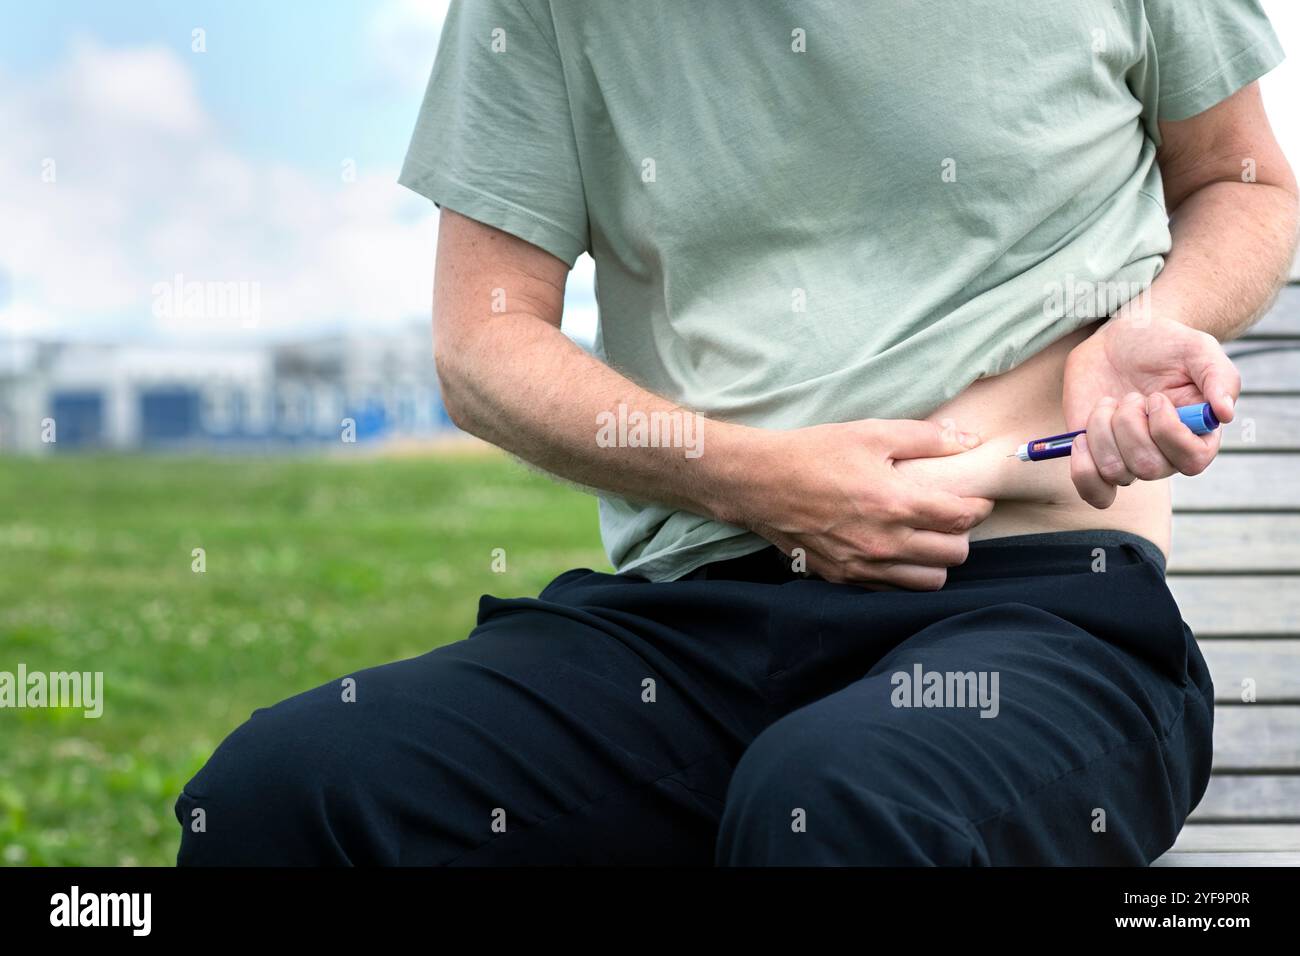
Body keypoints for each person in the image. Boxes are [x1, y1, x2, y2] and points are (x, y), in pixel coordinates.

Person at [176, 0, 1298, 865]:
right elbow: (482, 340)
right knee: (284, 792)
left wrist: (1150, 321)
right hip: (689, 626)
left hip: (1038, 609)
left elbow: (1242, 182)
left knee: (839, 803)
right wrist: (758, 478)